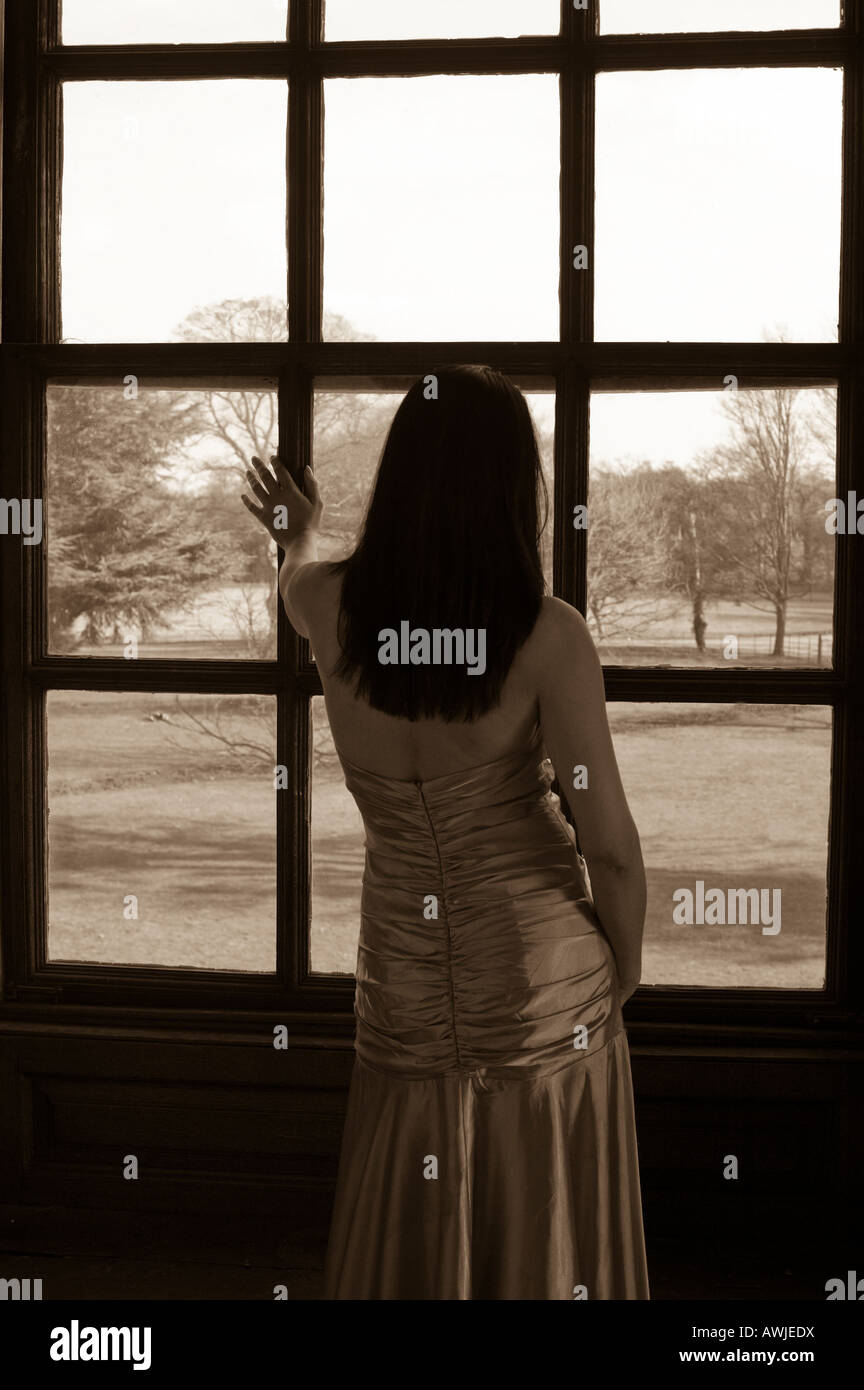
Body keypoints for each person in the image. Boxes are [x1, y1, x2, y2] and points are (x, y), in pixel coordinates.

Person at [241, 365, 649, 1300]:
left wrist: (297, 532)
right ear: (515, 488)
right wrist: (620, 974)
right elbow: (612, 848)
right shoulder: (548, 635)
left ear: (404, 476)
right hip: (543, 976)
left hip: (402, 964)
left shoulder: (330, 610)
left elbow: (295, 580)